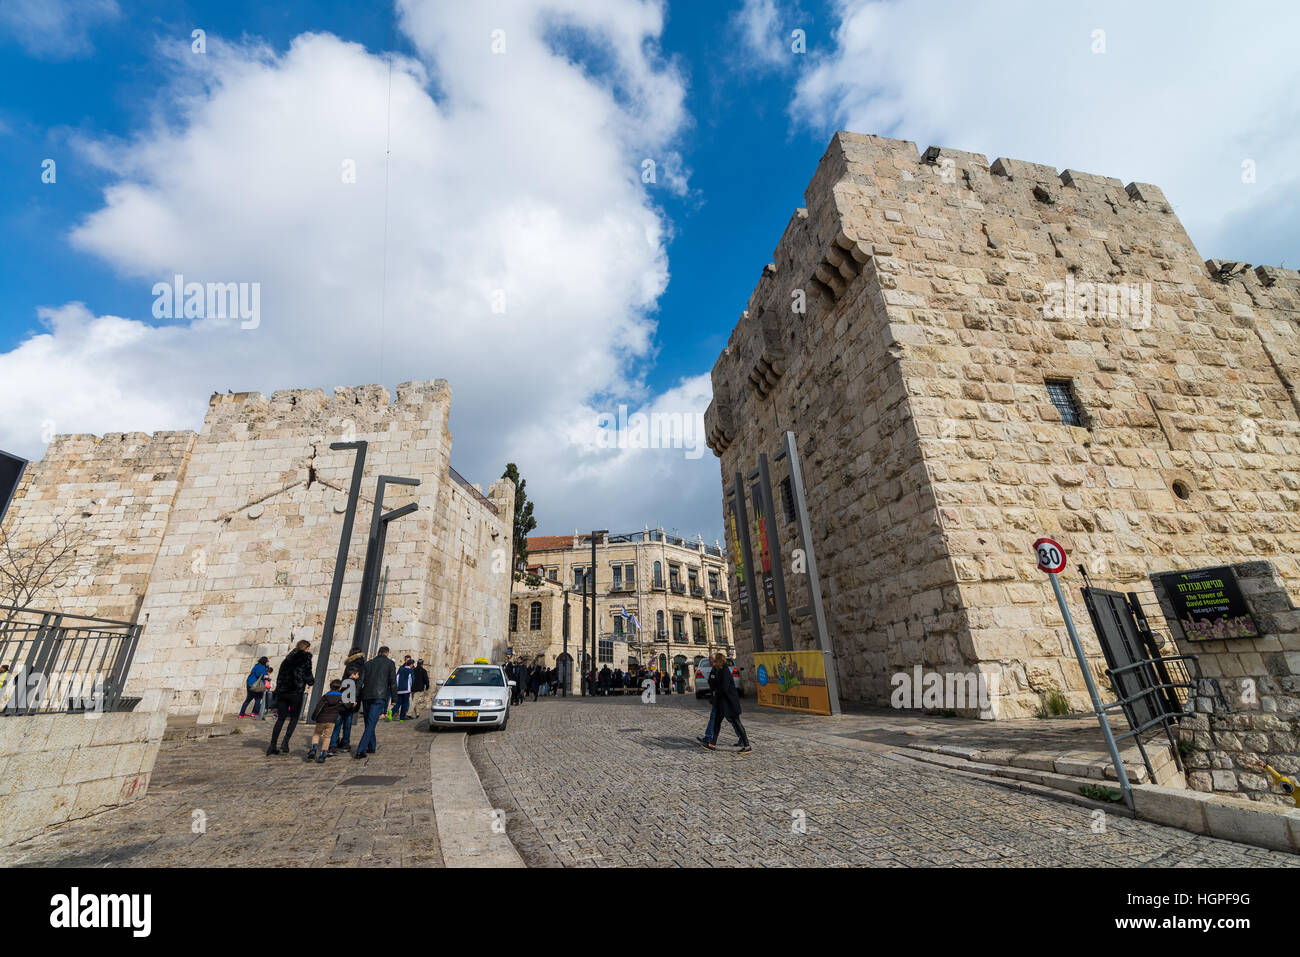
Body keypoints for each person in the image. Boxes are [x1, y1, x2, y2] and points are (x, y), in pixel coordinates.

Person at [267, 639, 314, 755]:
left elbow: (280, 676)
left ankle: (272, 745)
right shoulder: (306, 657)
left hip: (283, 692)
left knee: (281, 718)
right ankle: (285, 742)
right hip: (295, 693)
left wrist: (279, 689)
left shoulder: (287, 659)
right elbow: (307, 676)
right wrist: (311, 681)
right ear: (306, 648)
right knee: (294, 718)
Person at [699, 653, 751, 753]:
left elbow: (724, 687)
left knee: (736, 722)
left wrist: (716, 693)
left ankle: (747, 745)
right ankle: (712, 744)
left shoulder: (725, 670)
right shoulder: (718, 670)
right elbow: (713, 682)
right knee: (717, 723)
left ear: (719, 661)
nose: (713, 663)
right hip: (722, 702)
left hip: (730, 702)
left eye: (715, 661)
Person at [355, 646, 396, 759]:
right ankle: (360, 750)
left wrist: (355, 697)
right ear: (387, 653)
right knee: (371, 723)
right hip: (379, 696)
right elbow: (392, 682)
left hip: (366, 696)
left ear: (378, 653)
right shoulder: (389, 664)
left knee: (369, 722)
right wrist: (394, 698)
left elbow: (360, 681)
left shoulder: (368, 664)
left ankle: (372, 746)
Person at [308, 679, 345, 763]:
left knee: (317, 734)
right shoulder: (341, 697)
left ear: (330, 687)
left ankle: (313, 749)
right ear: (340, 688)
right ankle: (323, 754)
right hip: (331, 720)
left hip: (321, 719)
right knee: (327, 737)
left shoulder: (325, 696)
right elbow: (344, 706)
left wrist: (314, 717)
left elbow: (318, 708)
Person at [331, 664, 362, 753]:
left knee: (337, 727)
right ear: (353, 675)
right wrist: (354, 703)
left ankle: (333, 744)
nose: (358, 676)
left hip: (340, 708)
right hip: (348, 708)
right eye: (357, 674)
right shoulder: (354, 683)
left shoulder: (343, 682)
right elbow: (352, 694)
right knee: (347, 727)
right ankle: (345, 744)